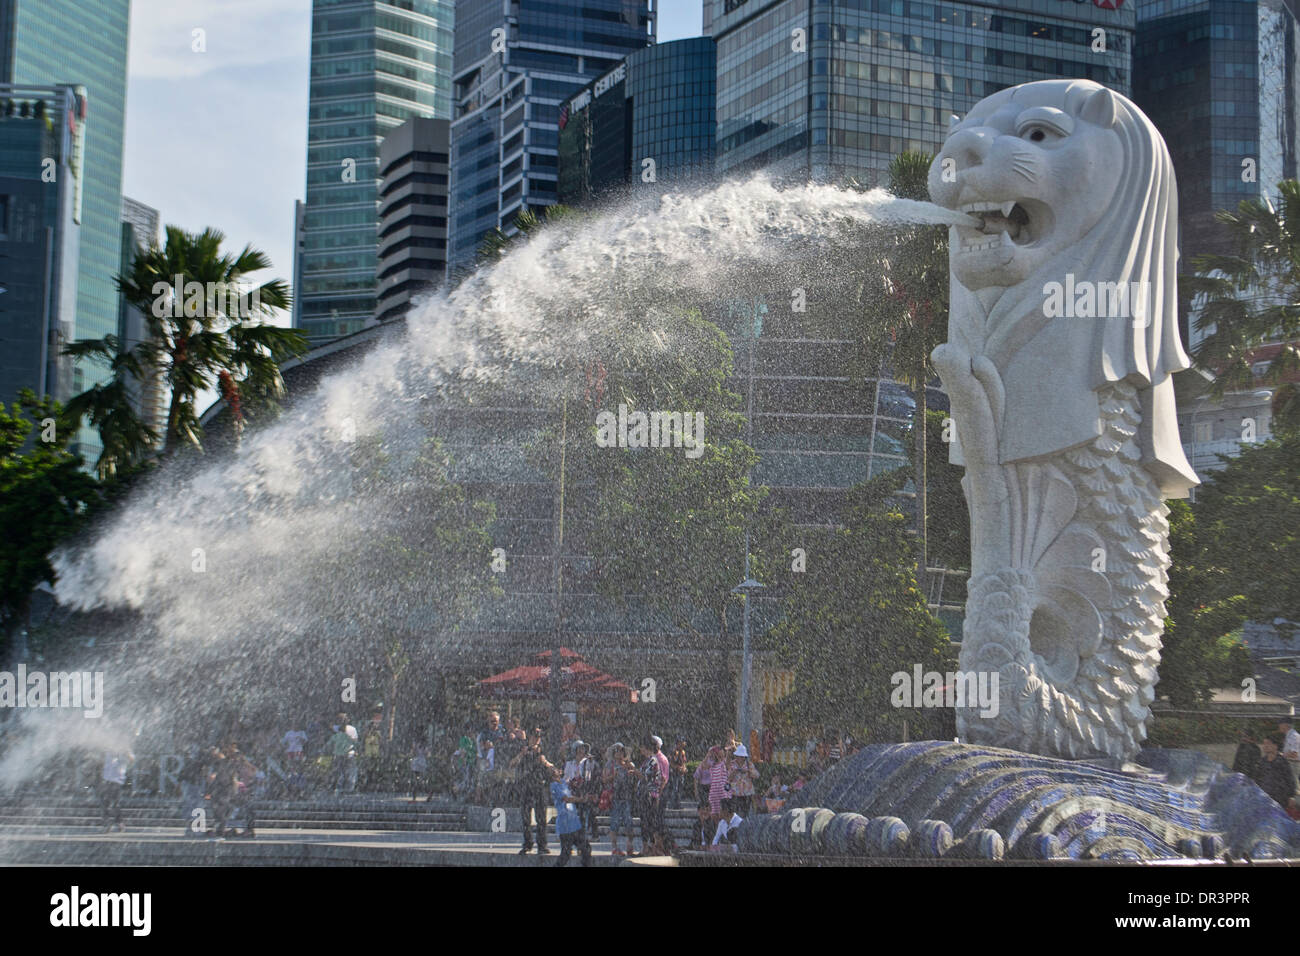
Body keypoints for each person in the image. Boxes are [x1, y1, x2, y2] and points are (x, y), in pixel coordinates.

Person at [510, 727, 553, 855]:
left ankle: (542, 844)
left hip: (539, 785)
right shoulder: (522, 749)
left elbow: (551, 766)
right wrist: (521, 754)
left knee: (541, 816)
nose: (537, 739)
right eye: (535, 737)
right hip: (526, 785)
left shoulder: (543, 750)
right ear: (530, 738)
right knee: (526, 817)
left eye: (539, 737)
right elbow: (512, 764)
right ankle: (527, 843)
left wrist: (545, 762)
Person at [550, 767, 592, 867]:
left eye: (556, 769)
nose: (555, 770)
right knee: (566, 854)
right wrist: (581, 800)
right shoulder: (554, 786)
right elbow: (567, 799)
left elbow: (574, 782)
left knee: (585, 848)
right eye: (552, 770)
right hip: (565, 825)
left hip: (574, 823)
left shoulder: (563, 783)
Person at [637, 734, 671, 855]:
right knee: (646, 822)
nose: (640, 750)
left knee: (652, 822)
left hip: (651, 796)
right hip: (645, 795)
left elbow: (653, 778)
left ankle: (655, 847)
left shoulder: (655, 760)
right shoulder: (647, 760)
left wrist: (634, 771)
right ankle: (648, 846)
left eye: (641, 747)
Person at [604, 743, 637, 857]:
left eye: (622, 751)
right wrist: (614, 775)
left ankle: (630, 845)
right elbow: (604, 780)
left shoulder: (629, 765)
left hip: (627, 797)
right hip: (615, 797)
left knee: (629, 822)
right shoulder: (610, 765)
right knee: (615, 823)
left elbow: (636, 778)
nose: (619, 753)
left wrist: (632, 770)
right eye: (617, 751)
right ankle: (614, 847)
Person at [1253, 734, 1296, 808]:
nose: (1265, 746)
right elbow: (1257, 780)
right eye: (1264, 743)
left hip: (1280, 799)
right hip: (1264, 798)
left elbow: (1290, 780)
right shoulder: (1262, 762)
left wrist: (1291, 796)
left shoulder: (1282, 762)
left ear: (1275, 746)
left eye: (1268, 743)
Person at [99, 749, 133, 833]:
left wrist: (126, 753)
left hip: (117, 780)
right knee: (105, 803)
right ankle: (108, 824)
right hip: (107, 779)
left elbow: (132, 759)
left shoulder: (124, 752)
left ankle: (118, 823)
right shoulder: (108, 752)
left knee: (115, 803)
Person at [178, 746, 208, 837]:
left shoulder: (195, 762)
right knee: (192, 807)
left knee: (195, 807)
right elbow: (182, 774)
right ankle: (193, 828)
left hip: (195, 783)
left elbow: (204, 770)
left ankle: (196, 828)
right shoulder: (189, 764)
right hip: (191, 783)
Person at [728, 744, 759, 816]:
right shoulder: (732, 764)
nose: (740, 758)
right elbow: (728, 778)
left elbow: (757, 775)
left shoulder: (749, 764)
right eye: (738, 756)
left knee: (746, 812)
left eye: (741, 757)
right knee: (735, 813)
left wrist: (748, 771)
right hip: (735, 793)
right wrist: (735, 772)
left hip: (747, 793)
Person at [329, 720, 358, 794]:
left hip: (337, 756)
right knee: (348, 771)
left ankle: (338, 787)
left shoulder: (335, 736)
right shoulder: (347, 737)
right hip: (346, 755)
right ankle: (348, 788)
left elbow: (329, 744)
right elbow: (355, 743)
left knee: (338, 772)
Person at [703, 746, 728, 820]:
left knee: (723, 814)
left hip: (722, 792)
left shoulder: (724, 762)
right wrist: (708, 754)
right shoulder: (712, 764)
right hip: (714, 793)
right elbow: (703, 766)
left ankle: (722, 830)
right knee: (714, 815)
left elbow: (728, 760)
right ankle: (716, 830)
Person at [668, 738, 689, 810]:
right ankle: (672, 804)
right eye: (682, 743)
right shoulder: (674, 751)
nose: (683, 744)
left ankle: (678, 804)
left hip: (680, 773)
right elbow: (670, 763)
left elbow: (683, 762)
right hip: (674, 773)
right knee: (675, 788)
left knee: (680, 789)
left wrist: (684, 768)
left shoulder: (683, 752)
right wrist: (677, 768)